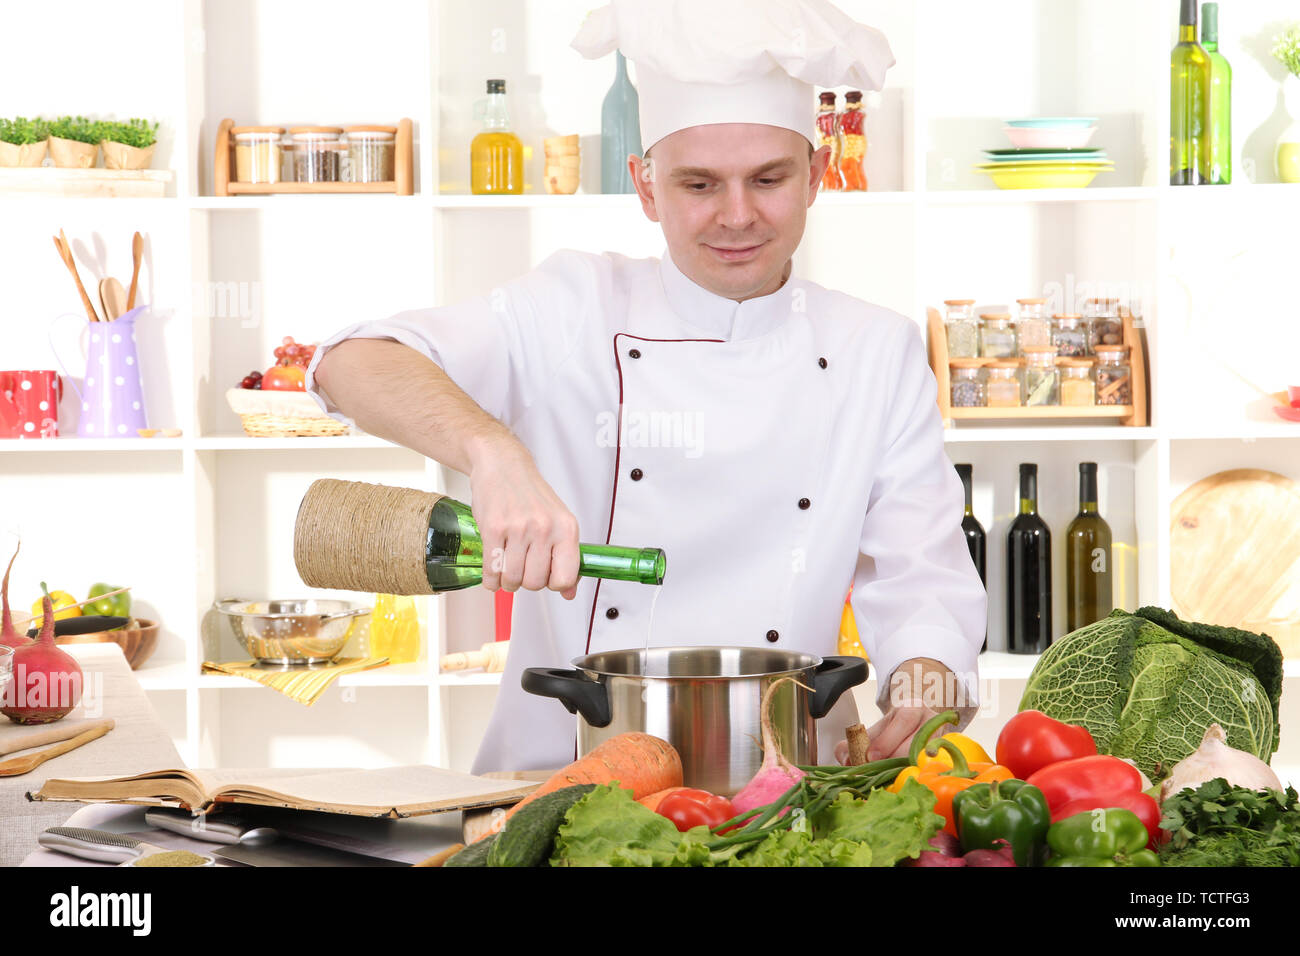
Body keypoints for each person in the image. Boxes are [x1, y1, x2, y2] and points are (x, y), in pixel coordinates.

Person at [307, 0, 987, 774]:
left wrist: (927, 673)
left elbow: (921, 570)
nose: (738, 216)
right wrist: (491, 453)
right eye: (699, 184)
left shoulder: (877, 349)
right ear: (646, 187)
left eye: (768, 179)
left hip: (793, 782)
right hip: (568, 769)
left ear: (818, 177)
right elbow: (348, 362)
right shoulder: (574, 306)